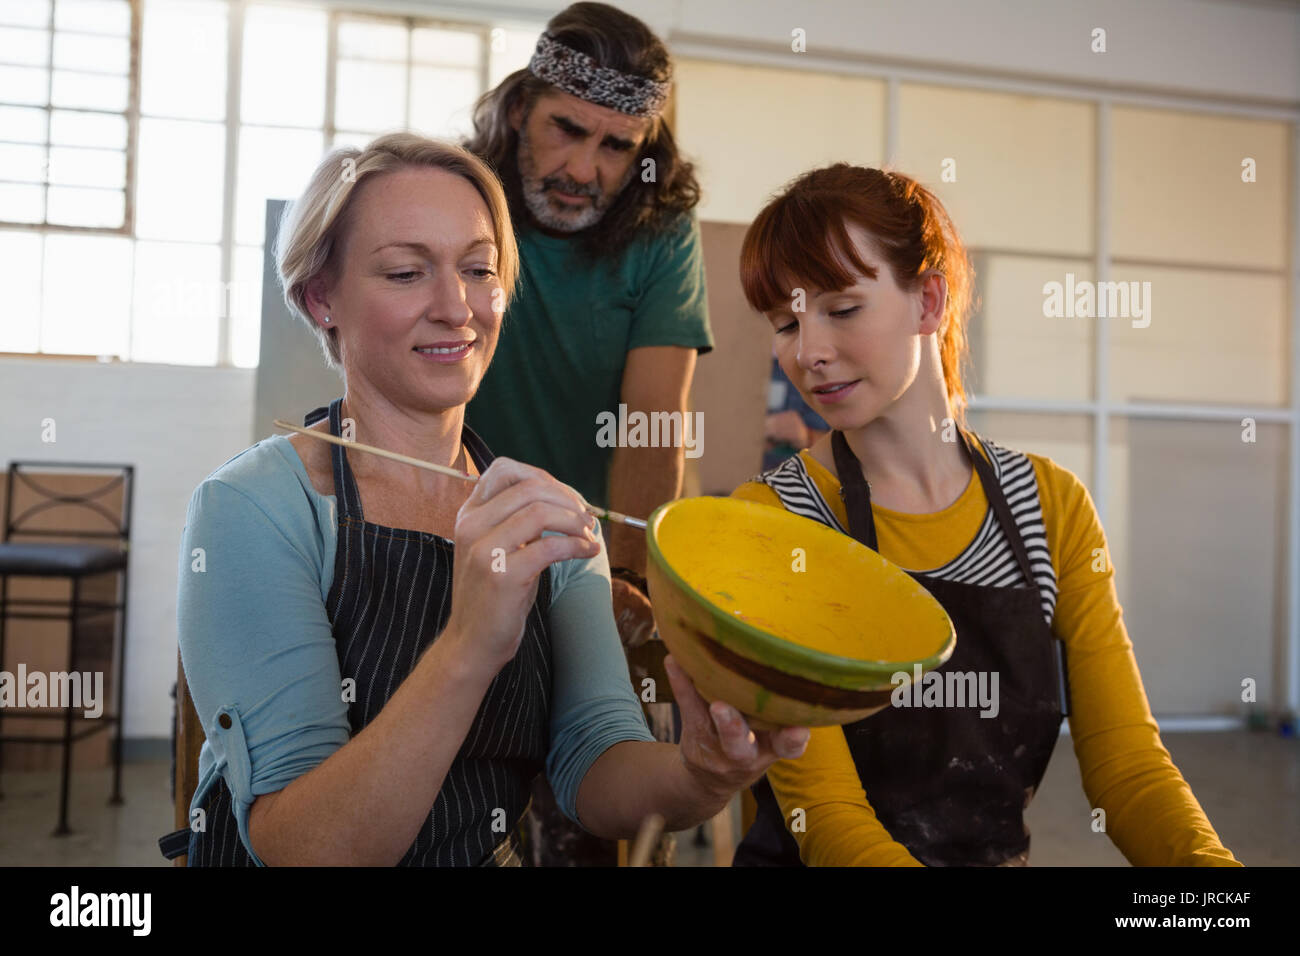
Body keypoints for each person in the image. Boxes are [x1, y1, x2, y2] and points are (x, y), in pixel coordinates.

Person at [156, 133, 807, 867]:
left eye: (478, 269)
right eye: (406, 272)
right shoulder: (253, 510)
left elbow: (598, 769)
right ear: (320, 297)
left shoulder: (546, 518)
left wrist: (699, 773)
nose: (455, 307)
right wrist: (470, 645)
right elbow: (305, 849)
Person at [728, 163, 1241, 867]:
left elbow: (1128, 768)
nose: (808, 352)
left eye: (842, 309)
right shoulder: (777, 522)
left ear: (928, 301)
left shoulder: (1048, 508)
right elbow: (829, 816)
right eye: (785, 323)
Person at [462, 2, 711, 864]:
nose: (584, 169)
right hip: (455, 539)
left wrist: (630, 574)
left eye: (617, 147)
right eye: (567, 130)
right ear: (522, 105)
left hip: (589, 564)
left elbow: (652, 421)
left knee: (593, 826)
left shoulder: (660, 228)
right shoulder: (460, 194)